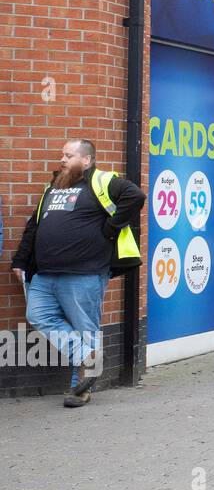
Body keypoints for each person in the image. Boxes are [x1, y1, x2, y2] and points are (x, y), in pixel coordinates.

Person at [13, 139, 145, 407]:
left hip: (84, 272)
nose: (62, 160)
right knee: (37, 315)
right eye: (62, 155)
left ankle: (79, 390)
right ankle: (88, 356)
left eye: (68, 155)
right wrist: (21, 261)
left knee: (85, 329)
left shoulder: (102, 181)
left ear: (86, 160)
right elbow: (34, 226)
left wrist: (111, 228)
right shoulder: (53, 187)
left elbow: (136, 196)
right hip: (45, 272)